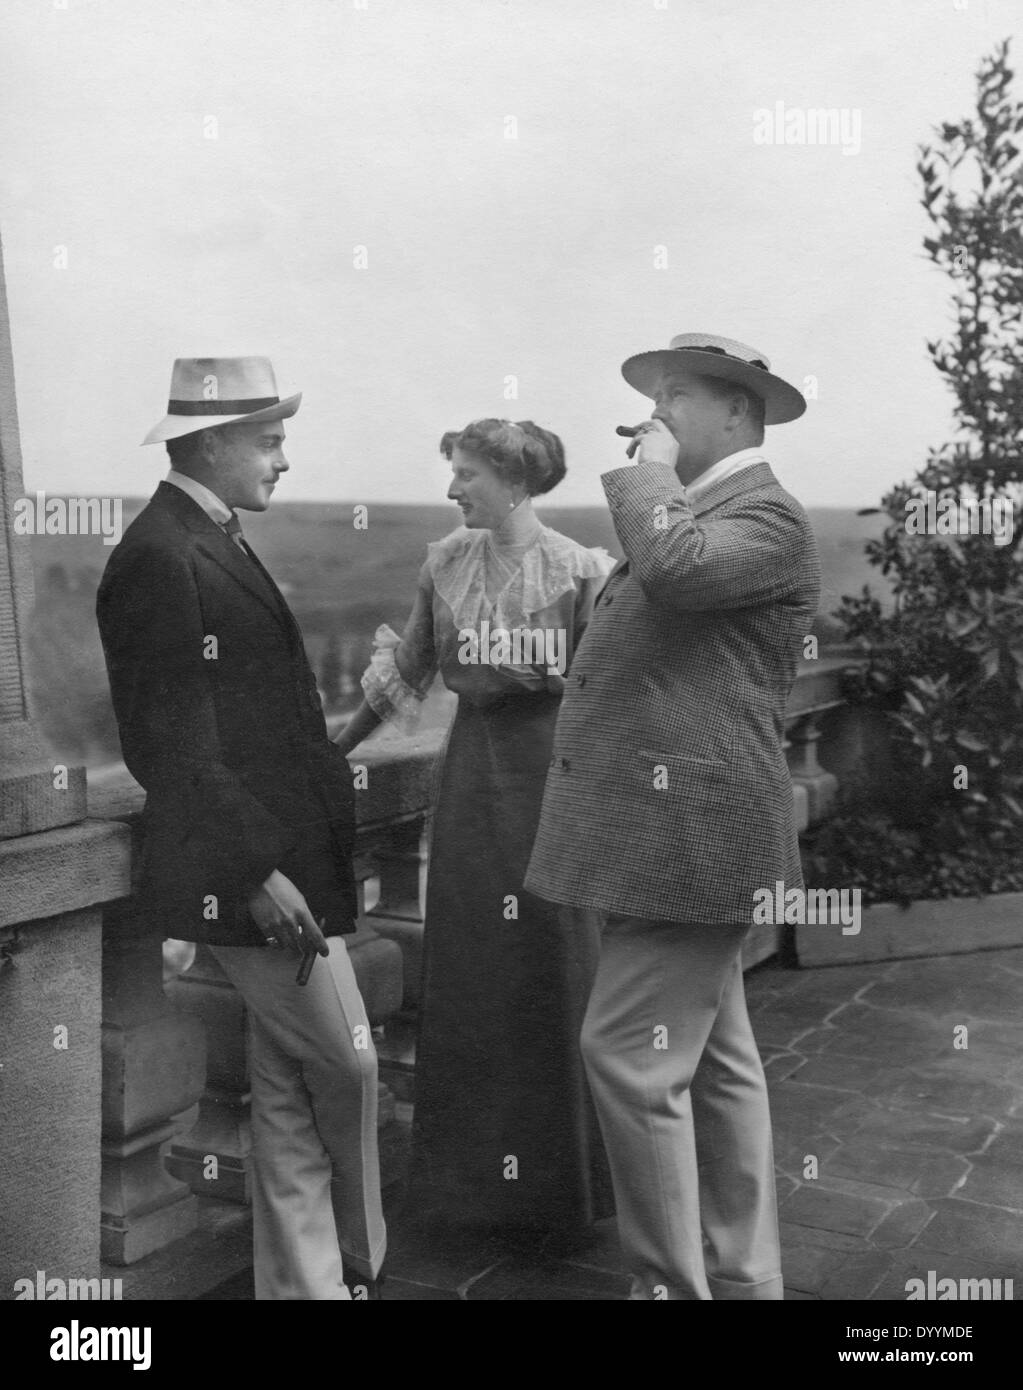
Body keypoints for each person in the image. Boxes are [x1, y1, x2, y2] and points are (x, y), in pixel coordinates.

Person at [525, 333, 821, 1300]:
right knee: (720, 1062)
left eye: (676, 397)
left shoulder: (767, 518)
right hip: (673, 833)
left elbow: (676, 572)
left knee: (626, 1057)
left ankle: (669, 1290)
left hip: (692, 836)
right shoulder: (698, 510)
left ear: (739, 411)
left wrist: (646, 471)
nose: (655, 414)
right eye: (653, 398)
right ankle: (745, 1280)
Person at [96, 356, 386, 1300]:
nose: (284, 462)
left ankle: (305, 1289)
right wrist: (257, 873)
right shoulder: (158, 553)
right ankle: (356, 1267)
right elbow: (174, 750)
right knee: (346, 1060)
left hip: (285, 864)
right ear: (211, 443)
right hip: (255, 878)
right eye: (269, 442)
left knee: (288, 1094)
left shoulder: (201, 531)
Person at [336, 418, 615, 1240]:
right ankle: (468, 1191)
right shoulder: (445, 561)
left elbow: (603, 690)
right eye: (453, 474)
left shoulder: (579, 569)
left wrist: (554, 683)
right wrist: (336, 751)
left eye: (465, 475)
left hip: (549, 782)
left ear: (516, 481)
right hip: (470, 783)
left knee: (551, 967)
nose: (453, 489)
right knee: (468, 973)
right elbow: (409, 671)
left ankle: (562, 1195)